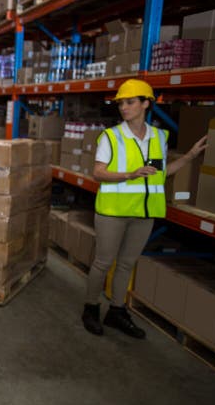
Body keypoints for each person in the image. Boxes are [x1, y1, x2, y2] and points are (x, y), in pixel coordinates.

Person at [82, 79, 207, 338]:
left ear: (146, 104)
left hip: (144, 213)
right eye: (121, 103)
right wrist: (131, 174)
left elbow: (161, 175)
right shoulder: (112, 136)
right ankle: (91, 308)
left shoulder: (159, 137)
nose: (124, 108)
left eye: (130, 102)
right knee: (103, 263)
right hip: (113, 212)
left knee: (127, 264)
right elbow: (98, 173)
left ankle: (117, 311)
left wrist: (189, 157)